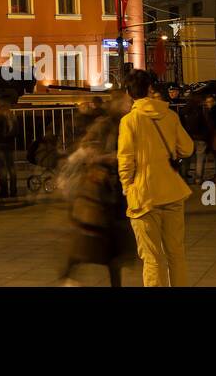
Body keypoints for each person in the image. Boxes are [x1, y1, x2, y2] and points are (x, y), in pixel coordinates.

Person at [117, 70, 193, 287]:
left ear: (129, 93)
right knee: (176, 254)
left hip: (144, 196)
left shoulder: (129, 121)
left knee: (152, 258)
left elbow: (125, 160)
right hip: (172, 191)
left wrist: (127, 187)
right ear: (151, 90)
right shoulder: (170, 115)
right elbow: (187, 148)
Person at [61, 93, 132, 287]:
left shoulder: (129, 124)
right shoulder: (103, 124)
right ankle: (70, 275)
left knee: (112, 245)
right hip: (96, 191)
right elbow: (86, 149)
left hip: (116, 191)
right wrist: (108, 157)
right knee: (87, 237)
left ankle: (111, 281)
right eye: (124, 103)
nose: (127, 106)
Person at [0, 96, 18, 197]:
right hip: (9, 143)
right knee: (11, 167)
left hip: (0, 143)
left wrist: (0, 137)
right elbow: (15, 128)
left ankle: (4, 190)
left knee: (2, 168)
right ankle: (13, 189)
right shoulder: (10, 112)